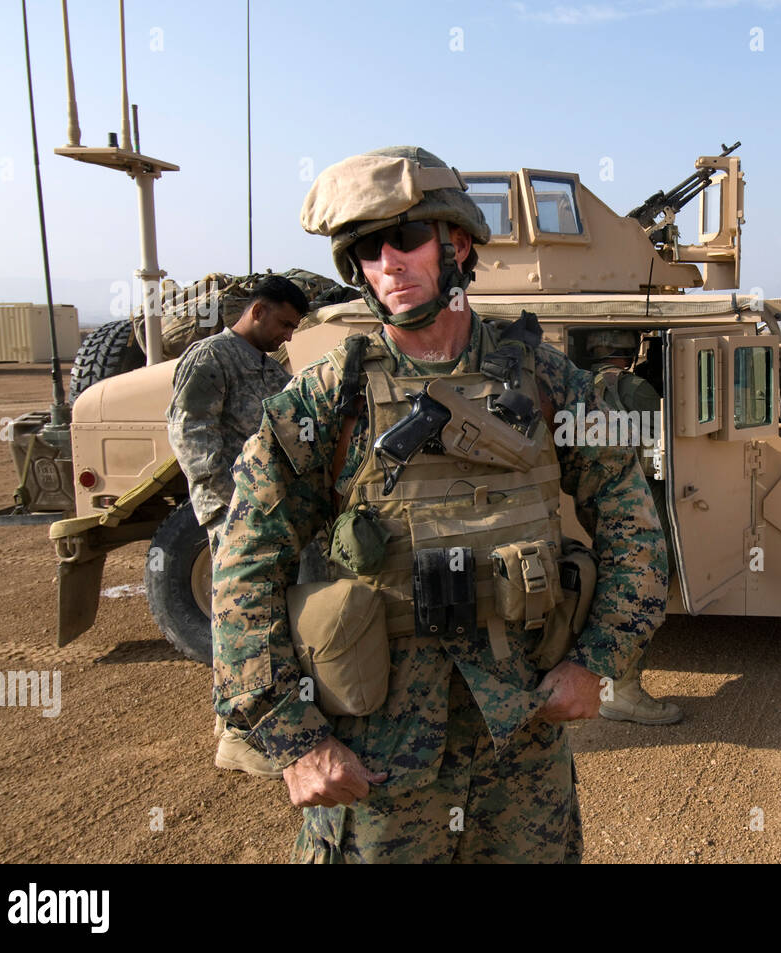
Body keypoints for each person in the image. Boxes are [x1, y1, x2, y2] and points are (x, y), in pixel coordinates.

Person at [211, 146, 668, 863]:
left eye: (407, 238)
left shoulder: (547, 382)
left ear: (456, 244)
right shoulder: (331, 399)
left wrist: (598, 659)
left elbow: (631, 519)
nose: (389, 261)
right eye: (366, 248)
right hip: (381, 761)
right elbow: (244, 568)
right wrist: (294, 739)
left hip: (520, 744)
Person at [166, 274, 308, 779]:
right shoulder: (211, 358)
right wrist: (235, 504)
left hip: (269, 512)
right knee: (240, 619)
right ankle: (236, 736)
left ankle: (248, 720)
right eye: (286, 324)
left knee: (263, 616)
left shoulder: (268, 370)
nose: (289, 335)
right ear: (259, 310)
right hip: (235, 512)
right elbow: (189, 435)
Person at [586, 329, 681, 726]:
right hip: (636, 497)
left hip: (595, 498)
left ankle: (610, 683)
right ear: (626, 353)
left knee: (612, 586)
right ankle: (621, 691)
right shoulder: (635, 388)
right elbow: (669, 438)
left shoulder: (575, 384)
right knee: (646, 586)